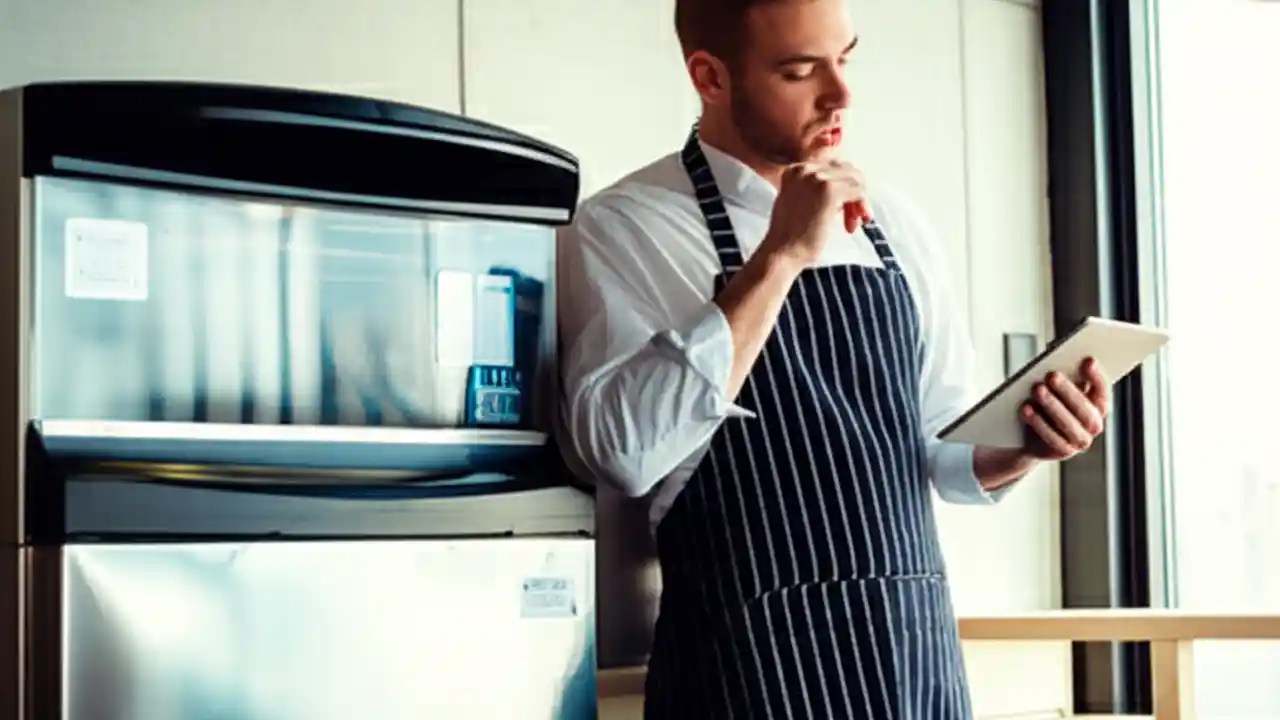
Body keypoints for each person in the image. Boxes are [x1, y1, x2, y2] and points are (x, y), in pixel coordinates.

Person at [555, 0, 1111, 717]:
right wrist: (781, 256)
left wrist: (1025, 445)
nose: (841, 93)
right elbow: (622, 452)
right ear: (710, 77)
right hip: (745, 671)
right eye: (799, 70)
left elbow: (942, 449)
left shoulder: (897, 226)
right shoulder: (626, 226)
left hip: (913, 658)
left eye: (845, 58)